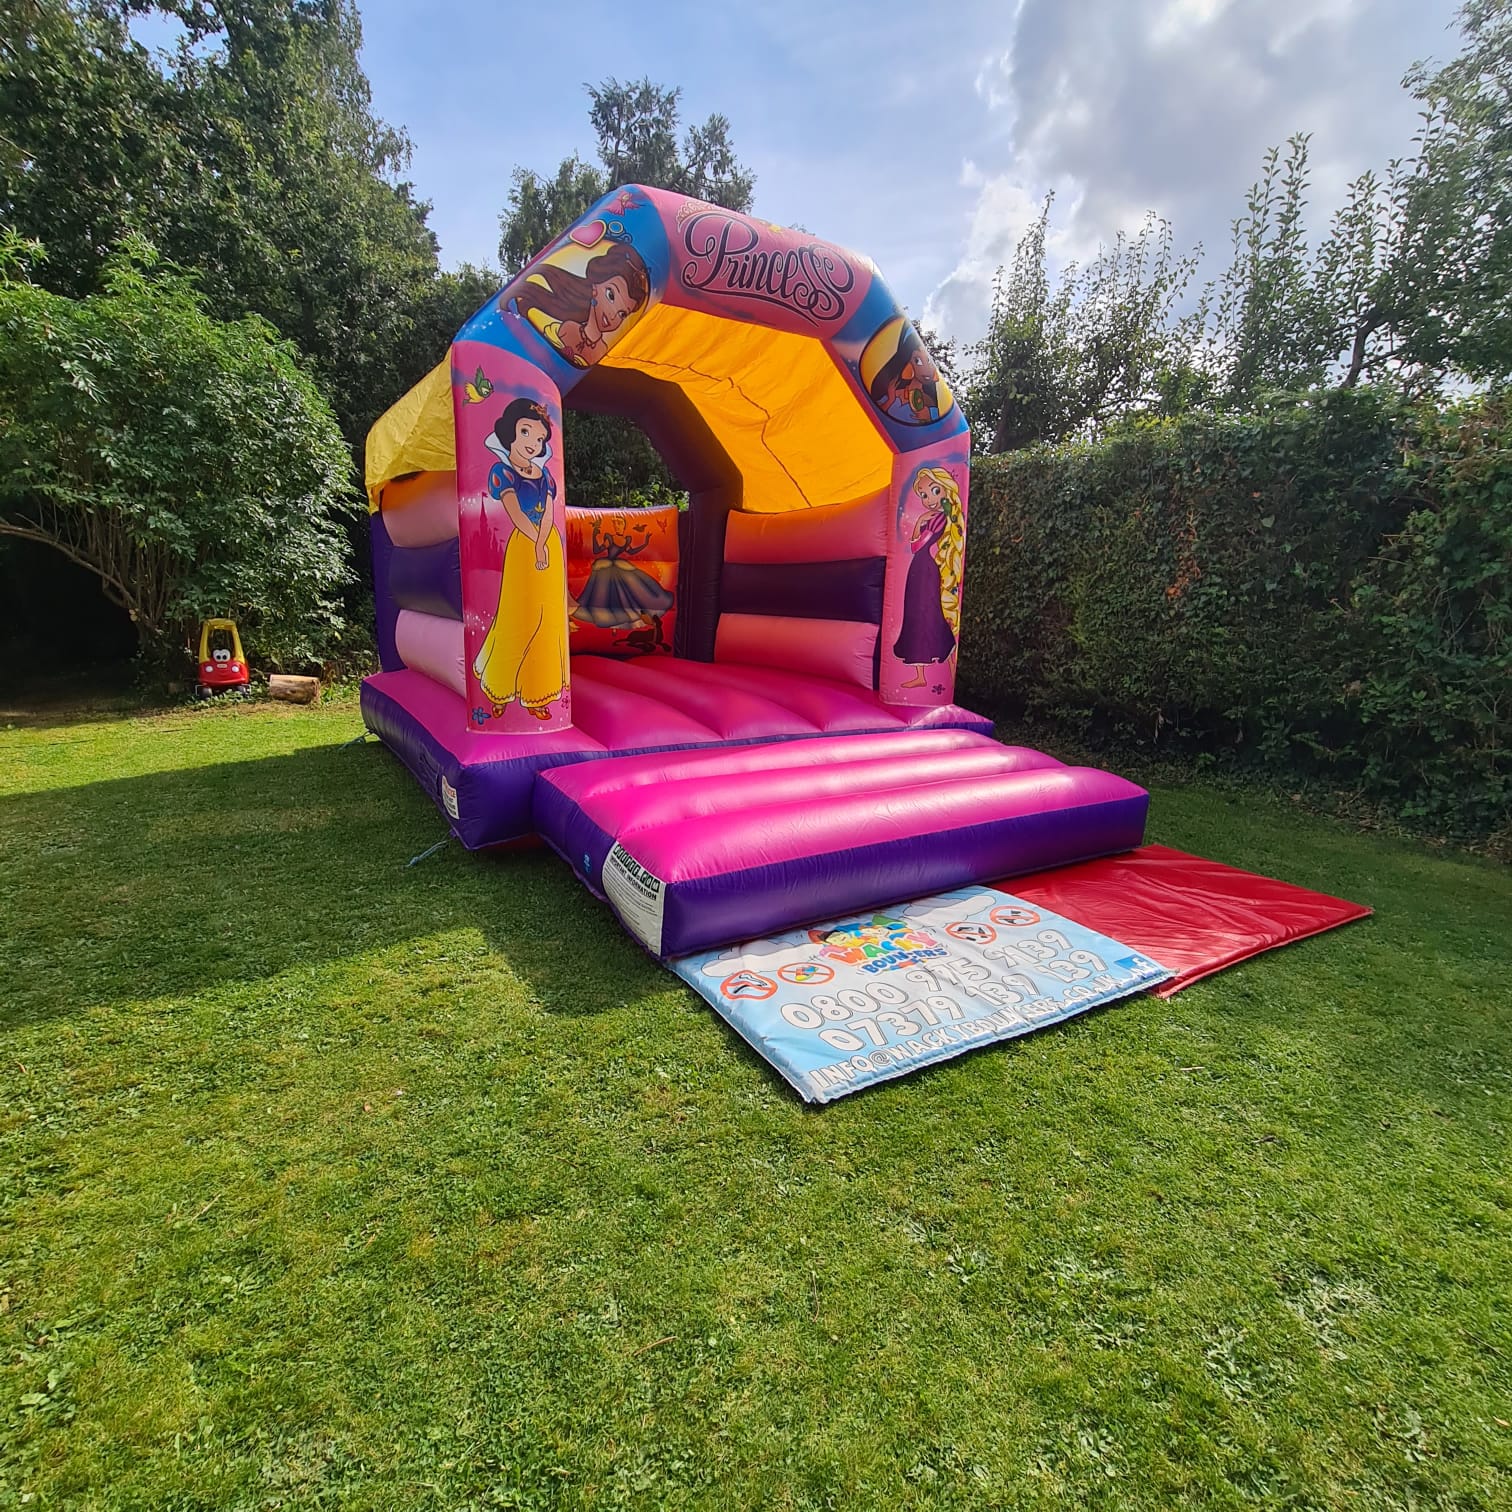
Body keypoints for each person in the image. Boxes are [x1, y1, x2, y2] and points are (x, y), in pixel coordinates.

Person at [472, 398, 567, 720]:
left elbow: (549, 515)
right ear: (510, 431)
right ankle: (500, 688)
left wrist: (543, 544)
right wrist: (535, 545)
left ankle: (538, 692)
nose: (532, 443)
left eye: (539, 439)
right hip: (523, 546)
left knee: (547, 620)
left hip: (547, 543)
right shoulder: (503, 473)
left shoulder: (545, 476)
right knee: (517, 616)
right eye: (526, 432)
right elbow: (515, 513)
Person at [510, 242, 650, 368]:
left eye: (622, 314)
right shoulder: (568, 328)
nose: (613, 315)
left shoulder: (603, 349)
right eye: (610, 295)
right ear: (595, 288)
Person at [893, 467, 964, 689]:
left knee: (929, 613)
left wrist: (924, 527)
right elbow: (914, 545)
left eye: (934, 491)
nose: (929, 499)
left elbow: (918, 544)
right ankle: (920, 674)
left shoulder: (946, 519)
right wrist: (922, 521)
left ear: (945, 489)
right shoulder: (929, 518)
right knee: (916, 615)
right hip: (918, 568)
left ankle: (945, 650)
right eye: (923, 495)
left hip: (930, 569)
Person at [572, 514, 675, 630]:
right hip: (608, 566)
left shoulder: (626, 539)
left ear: (624, 527)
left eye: (620, 524)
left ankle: (643, 604)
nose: (618, 527)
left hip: (618, 565)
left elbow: (631, 552)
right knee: (605, 591)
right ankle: (607, 613)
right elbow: (597, 550)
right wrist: (595, 532)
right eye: (616, 524)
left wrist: (645, 543)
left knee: (635, 582)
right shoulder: (610, 538)